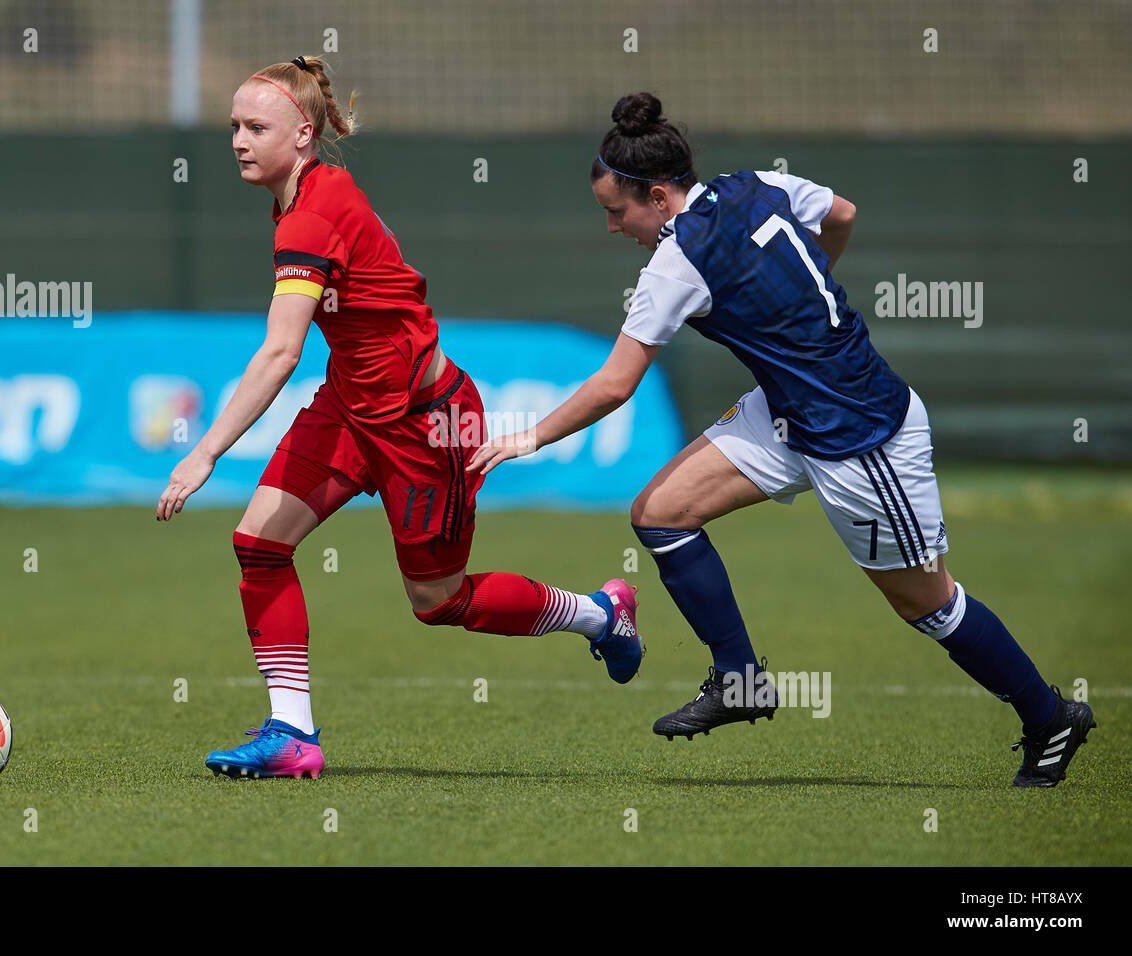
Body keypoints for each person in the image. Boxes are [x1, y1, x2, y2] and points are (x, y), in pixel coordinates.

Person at [468, 92, 1095, 788]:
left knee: (927, 604)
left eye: (618, 212)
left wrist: (526, 438)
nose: (615, 228)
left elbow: (616, 385)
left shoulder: (677, 263)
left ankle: (1049, 718)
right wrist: (804, 295)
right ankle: (740, 679)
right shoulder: (755, 185)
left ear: (656, 195)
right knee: (660, 513)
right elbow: (841, 213)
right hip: (791, 414)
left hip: (859, 435)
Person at [155, 57, 643, 780]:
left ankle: (600, 614)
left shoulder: (312, 214)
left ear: (303, 136)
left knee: (438, 602)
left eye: (256, 126)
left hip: (426, 423)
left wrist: (206, 454)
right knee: (258, 543)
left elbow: (280, 352)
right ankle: (293, 735)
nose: (237, 139)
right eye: (233, 125)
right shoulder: (303, 197)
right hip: (352, 407)